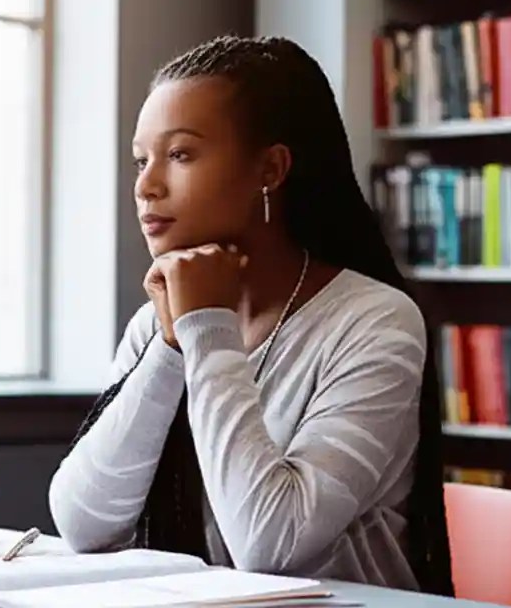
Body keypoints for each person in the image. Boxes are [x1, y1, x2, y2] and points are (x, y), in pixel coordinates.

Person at [47, 36, 452, 594]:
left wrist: (206, 327)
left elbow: (272, 546)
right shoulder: (158, 324)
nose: (146, 186)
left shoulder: (375, 323)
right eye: (142, 160)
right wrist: (169, 348)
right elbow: (82, 523)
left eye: (180, 154)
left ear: (271, 168)